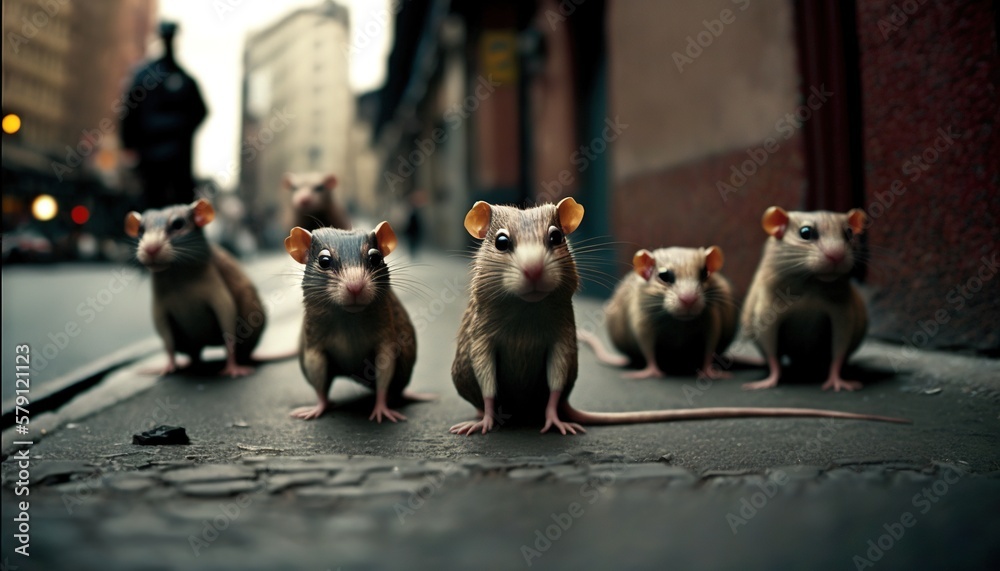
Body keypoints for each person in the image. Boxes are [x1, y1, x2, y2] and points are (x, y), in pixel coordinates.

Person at [121, 22, 207, 209]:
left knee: (170, 206)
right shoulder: (157, 77)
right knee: (154, 204)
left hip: (171, 159)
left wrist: (129, 145)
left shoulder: (180, 79)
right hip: (157, 157)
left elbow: (128, 113)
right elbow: (128, 112)